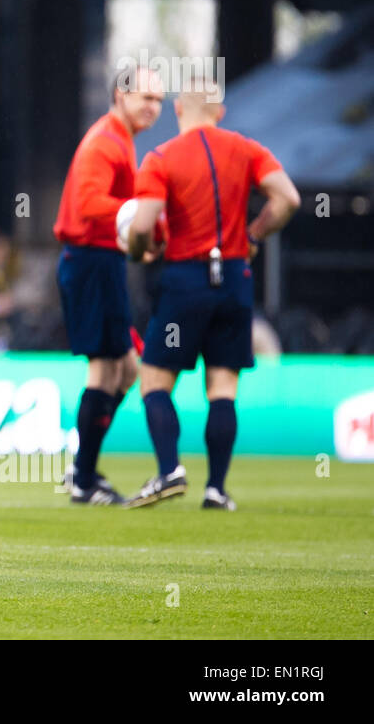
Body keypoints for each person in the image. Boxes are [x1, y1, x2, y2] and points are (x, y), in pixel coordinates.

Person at [125, 83, 299, 509]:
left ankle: (170, 471)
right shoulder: (247, 150)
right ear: (219, 111)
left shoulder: (161, 157)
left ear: (179, 109)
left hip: (185, 282)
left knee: (154, 379)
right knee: (222, 388)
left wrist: (138, 249)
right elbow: (288, 199)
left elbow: (143, 223)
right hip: (235, 281)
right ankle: (216, 490)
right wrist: (253, 236)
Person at [53, 65, 165, 504]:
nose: (153, 108)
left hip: (105, 261)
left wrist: (137, 237)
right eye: (145, 98)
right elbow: (89, 203)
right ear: (121, 94)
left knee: (128, 368)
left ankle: (83, 467)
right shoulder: (105, 141)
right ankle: (82, 479)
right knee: (106, 368)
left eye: (158, 100)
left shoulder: (119, 139)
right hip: (90, 263)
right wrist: (141, 217)